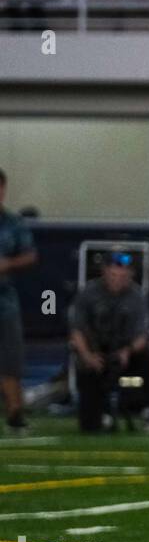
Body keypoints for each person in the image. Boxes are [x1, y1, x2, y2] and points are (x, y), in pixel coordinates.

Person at [68, 251, 149, 434]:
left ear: (130, 275)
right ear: (104, 272)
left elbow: (143, 335)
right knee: (89, 425)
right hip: (95, 351)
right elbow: (76, 331)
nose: (118, 279)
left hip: (125, 352)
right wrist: (88, 356)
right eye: (113, 274)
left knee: (147, 359)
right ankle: (99, 414)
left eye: (123, 275)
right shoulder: (88, 293)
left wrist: (127, 351)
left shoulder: (137, 296)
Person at [0, 169, 36, 432]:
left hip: (4, 300)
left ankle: (15, 412)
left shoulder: (13, 223)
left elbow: (30, 256)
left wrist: (6, 264)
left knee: (10, 358)